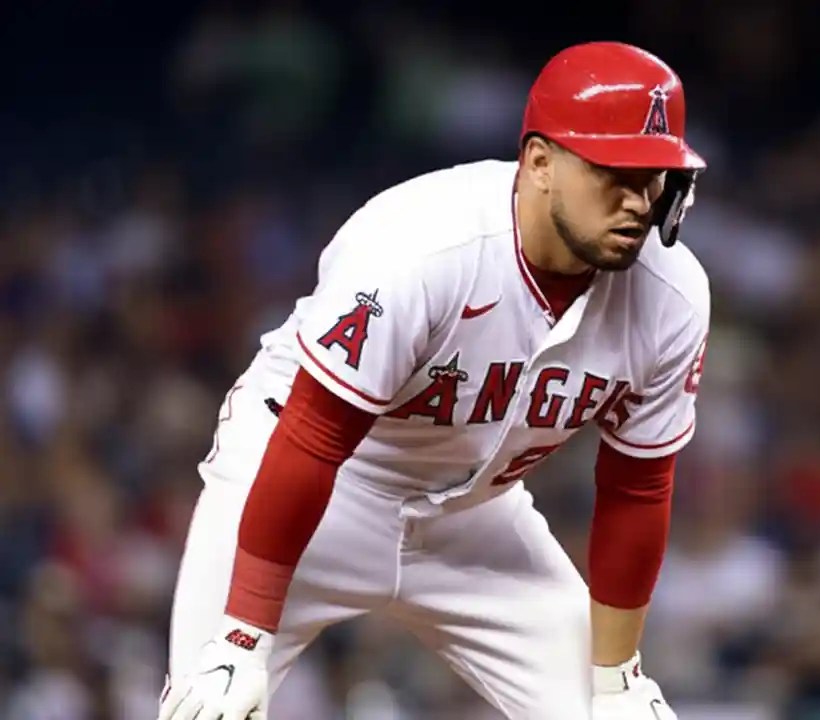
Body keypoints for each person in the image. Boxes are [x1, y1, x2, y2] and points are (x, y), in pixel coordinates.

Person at [157, 40, 710, 720]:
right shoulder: (423, 246)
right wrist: (242, 639)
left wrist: (616, 677)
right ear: (539, 162)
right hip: (314, 484)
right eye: (615, 174)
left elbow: (636, 488)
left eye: (654, 177)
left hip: (473, 518)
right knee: (211, 706)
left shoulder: (671, 295)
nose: (639, 202)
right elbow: (312, 437)